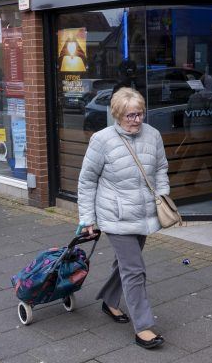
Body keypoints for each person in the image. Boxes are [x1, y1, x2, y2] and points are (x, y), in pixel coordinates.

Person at [77, 87, 168, 350]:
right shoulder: (101, 140)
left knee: (126, 265)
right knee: (135, 269)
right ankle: (144, 327)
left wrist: (162, 194)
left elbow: (161, 168)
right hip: (115, 216)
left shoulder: (153, 135)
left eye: (139, 114)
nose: (136, 120)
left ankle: (108, 299)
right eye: (130, 115)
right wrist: (87, 219)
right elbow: (87, 181)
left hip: (144, 214)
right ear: (117, 114)